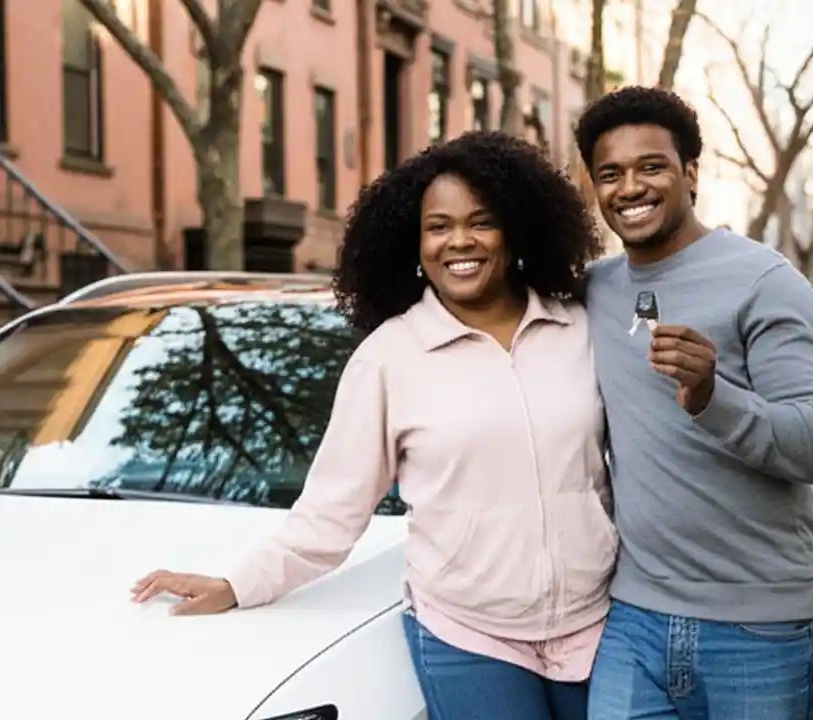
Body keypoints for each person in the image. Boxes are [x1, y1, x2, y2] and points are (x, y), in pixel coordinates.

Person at [129, 131, 610, 720]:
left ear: (516, 232)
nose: (459, 240)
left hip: (600, 626)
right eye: (438, 226)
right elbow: (331, 512)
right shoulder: (390, 357)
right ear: (414, 242)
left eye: (481, 222)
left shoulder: (580, 330)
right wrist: (237, 583)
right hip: (471, 637)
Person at [574, 86, 813, 719]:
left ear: (690, 174)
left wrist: (713, 397)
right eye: (610, 174)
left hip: (759, 626)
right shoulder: (593, 290)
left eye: (652, 167)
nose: (630, 187)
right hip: (634, 619)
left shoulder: (763, 281)